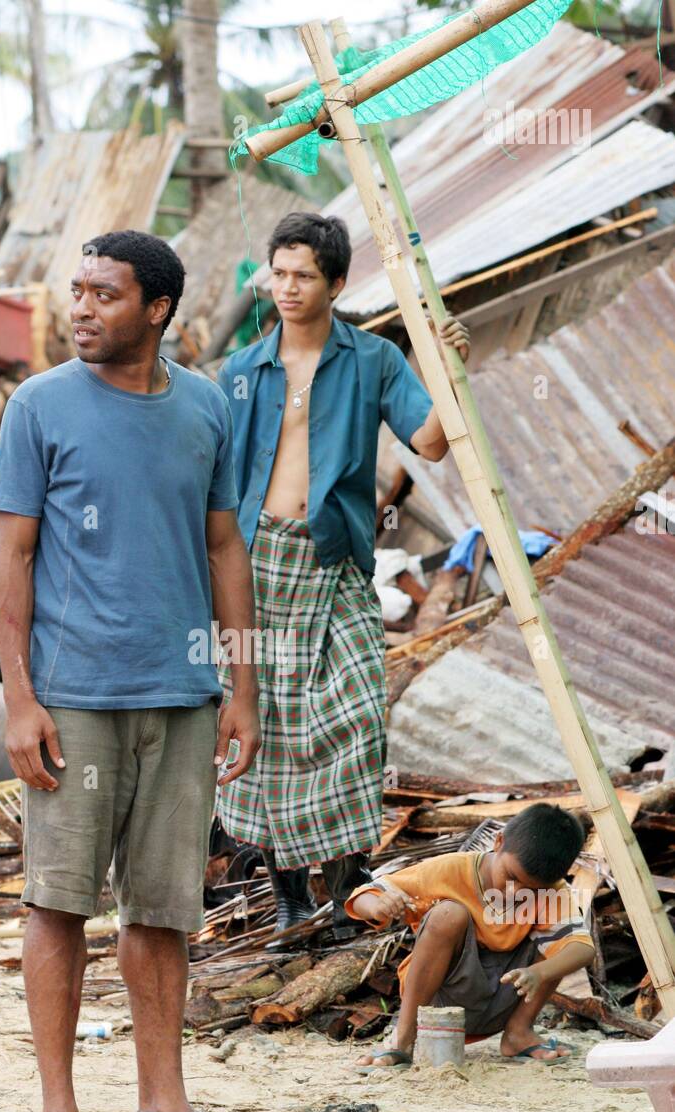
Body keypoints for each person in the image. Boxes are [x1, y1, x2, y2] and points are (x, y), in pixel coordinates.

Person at [0, 230, 281, 1112]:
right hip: (74, 700)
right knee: (58, 902)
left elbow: (225, 547)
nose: (80, 309)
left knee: (162, 910)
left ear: (157, 311)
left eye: (103, 295)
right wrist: (19, 699)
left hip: (184, 699)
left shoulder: (203, 408)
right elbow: (13, 556)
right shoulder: (39, 407)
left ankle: (165, 1109)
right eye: (75, 292)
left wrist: (243, 687)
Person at [216, 211, 469, 944]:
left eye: (303, 276)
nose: (287, 288)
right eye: (279, 273)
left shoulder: (373, 361)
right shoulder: (241, 372)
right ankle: (293, 896)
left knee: (358, 718)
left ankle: (346, 884)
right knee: (273, 731)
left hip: (335, 563)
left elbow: (430, 442)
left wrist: (451, 373)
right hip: (256, 563)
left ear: (336, 282)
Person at [347, 803, 594, 1066]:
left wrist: (539, 973)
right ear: (499, 842)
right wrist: (377, 905)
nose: (514, 891)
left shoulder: (553, 892)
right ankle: (404, 1037)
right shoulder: (449, 870)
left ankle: (518, 1033)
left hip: (503, 1002)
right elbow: (365, 895)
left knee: (561, 943)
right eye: (511, 876)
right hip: (438, 1003)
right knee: (448, 914)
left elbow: (583, 947)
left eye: (532, 888)